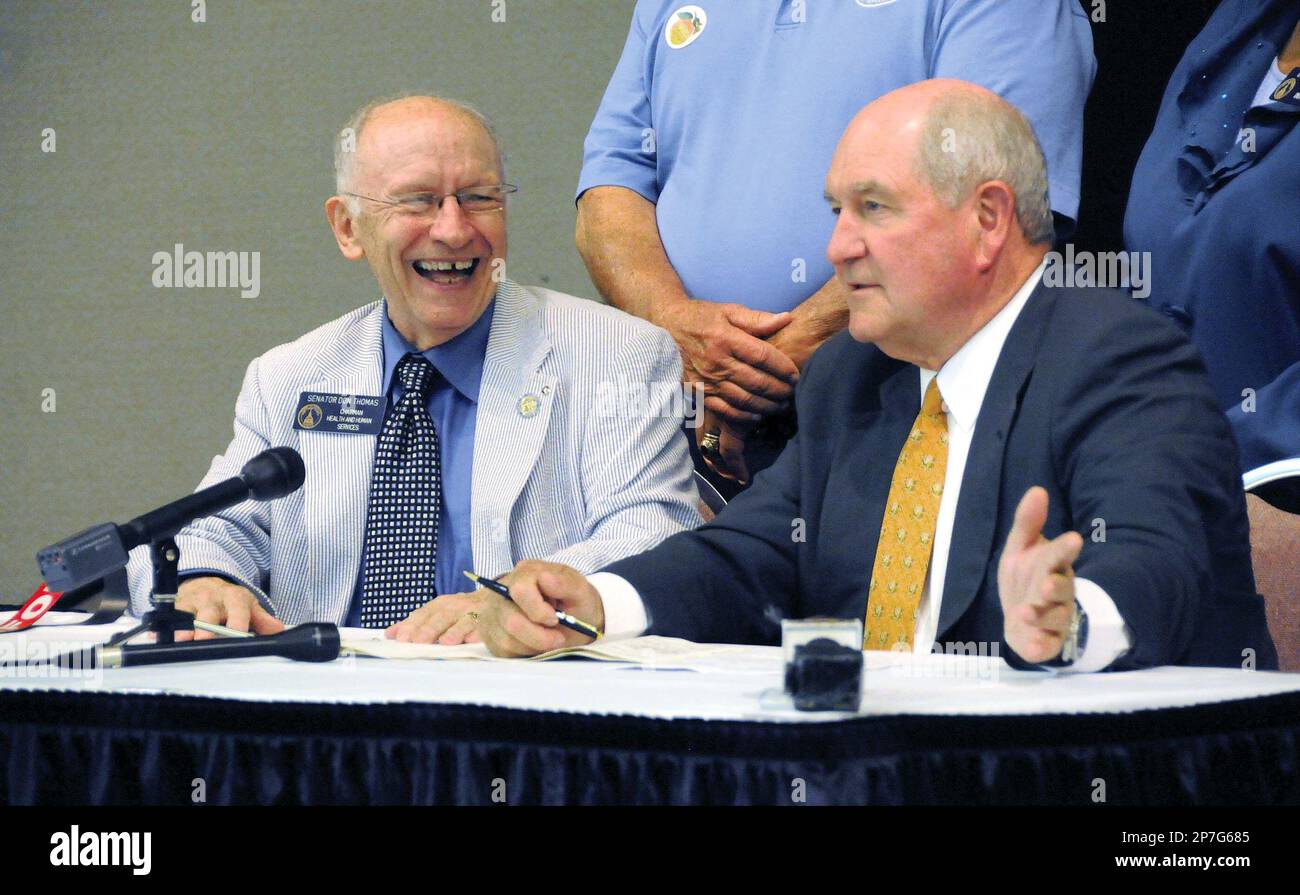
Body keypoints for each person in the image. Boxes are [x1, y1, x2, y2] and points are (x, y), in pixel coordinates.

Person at [471, 80, 1277, 672]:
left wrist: (1066, 620)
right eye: (836, 212)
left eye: (874, 209)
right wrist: (592, 600)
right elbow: (746, 556)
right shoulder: (855, 375)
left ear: (988, 220)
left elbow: (1158, 561)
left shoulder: (1118, 357)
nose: (838, 247)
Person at [125, 95, 702, 641]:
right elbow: (217, 528)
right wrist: (207, 581)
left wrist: (511, 599)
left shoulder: (616, 356)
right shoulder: (292, 375)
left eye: (478, 197)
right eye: (418, 201)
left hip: (512, 702)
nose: (453, 229)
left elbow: (656, 533)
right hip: (320, 705)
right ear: (348, 228)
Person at [575, 0, 1095, 494]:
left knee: (891, 589)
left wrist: (748, 375)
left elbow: (982, 209)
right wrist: (678, 330)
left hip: (895, 410)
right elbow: (608, 189)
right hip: (686, 418)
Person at [1124, 0, 1300, 496]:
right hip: (1155, 494)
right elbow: (1165, 250)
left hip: (1271, 510)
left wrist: (1219, 455)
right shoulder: (1238, 26)